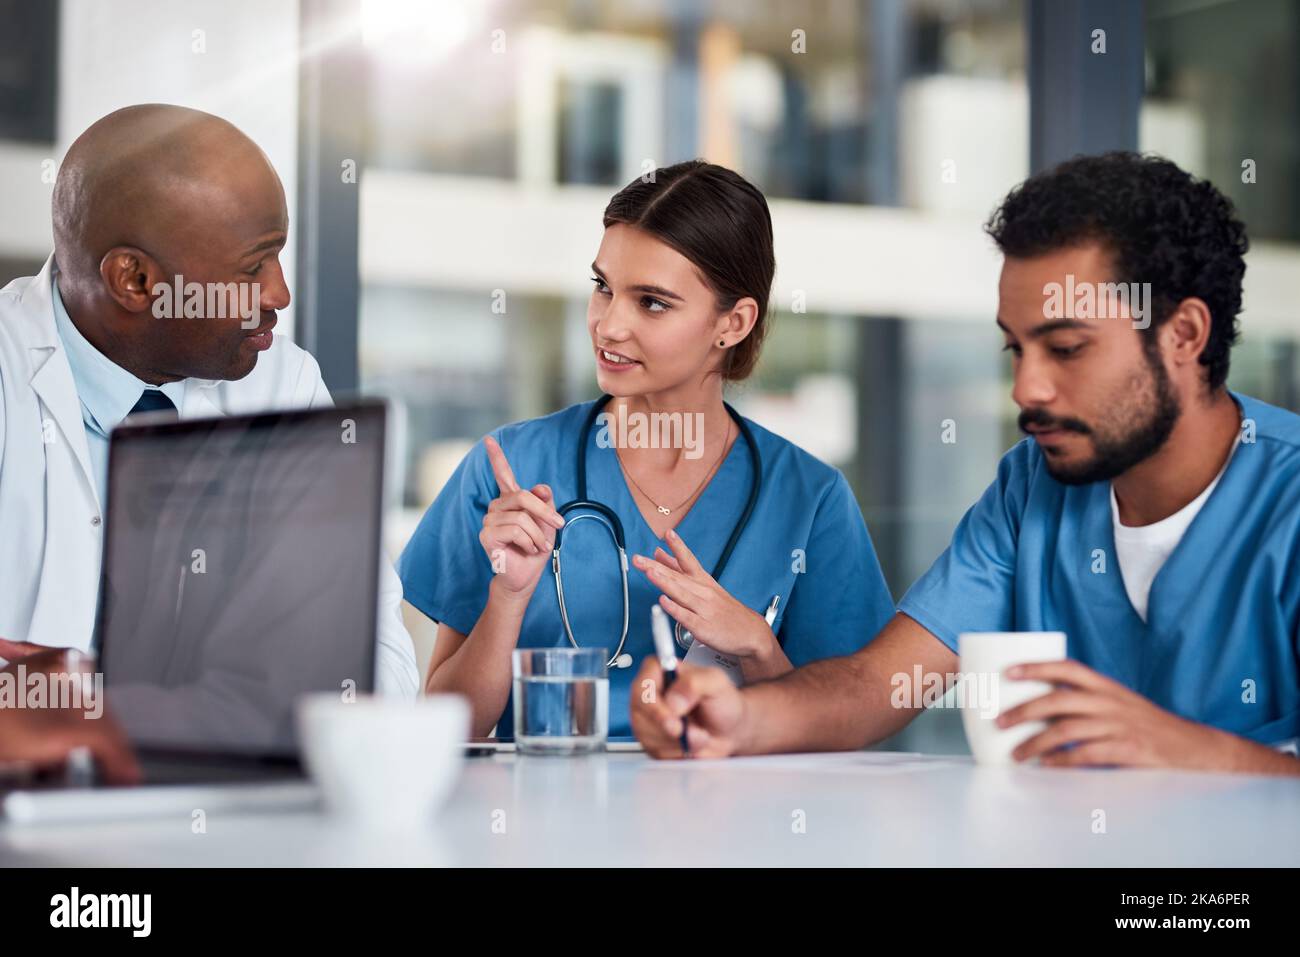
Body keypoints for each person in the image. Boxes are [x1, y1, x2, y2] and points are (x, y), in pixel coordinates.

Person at [631, 152, 1300, 775]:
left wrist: (1177, 746)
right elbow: (879, 683)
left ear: (1183, 335)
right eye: (1016, 349)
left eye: (1066, 348)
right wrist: (737, 716)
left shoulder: (1286, 501)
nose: (1026, 389)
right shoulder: (1031, 484)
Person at [398, 161, 895, 739]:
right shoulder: (509, 470)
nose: (608, 325)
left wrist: (756, 647)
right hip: (543, 817)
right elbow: (449, 726)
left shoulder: (810, 500)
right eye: (603, 288)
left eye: (651, 303)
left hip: (728, 822)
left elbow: (843, 727)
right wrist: (507, 597)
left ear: (732, 323)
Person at [0, 104, 418, 697]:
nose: (280, 292)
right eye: (253, 269)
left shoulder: (286, 387)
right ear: (135, 281)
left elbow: (378, 669)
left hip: (222, 784)